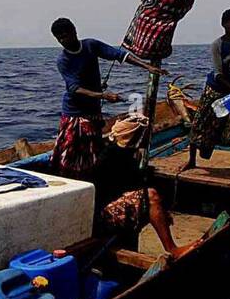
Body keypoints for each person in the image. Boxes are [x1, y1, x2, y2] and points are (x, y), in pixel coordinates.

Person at [49, 17, 164, 178]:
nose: (63, 41)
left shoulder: (90, 45)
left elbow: (119, 55)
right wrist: (103, 95)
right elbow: (74, 89)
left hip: (94, 111)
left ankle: (92, 178)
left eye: (65, 36)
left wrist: (147, 66)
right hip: (75, 113)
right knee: (70, 154)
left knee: (93, 151)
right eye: (59, 38)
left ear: (74, 31)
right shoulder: (63, 60)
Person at [94, 114, 196, 258]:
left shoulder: (125, 154)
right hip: (103, 216)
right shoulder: (113, 156)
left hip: (113, 205)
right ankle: (172, 249)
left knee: (151, 200)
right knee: (151, 196)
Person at [188, 9, 230, 178]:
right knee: (199, 123)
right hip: (215, 89)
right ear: (224, 25)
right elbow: (218, 73)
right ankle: (192, 161)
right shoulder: (217, 44)